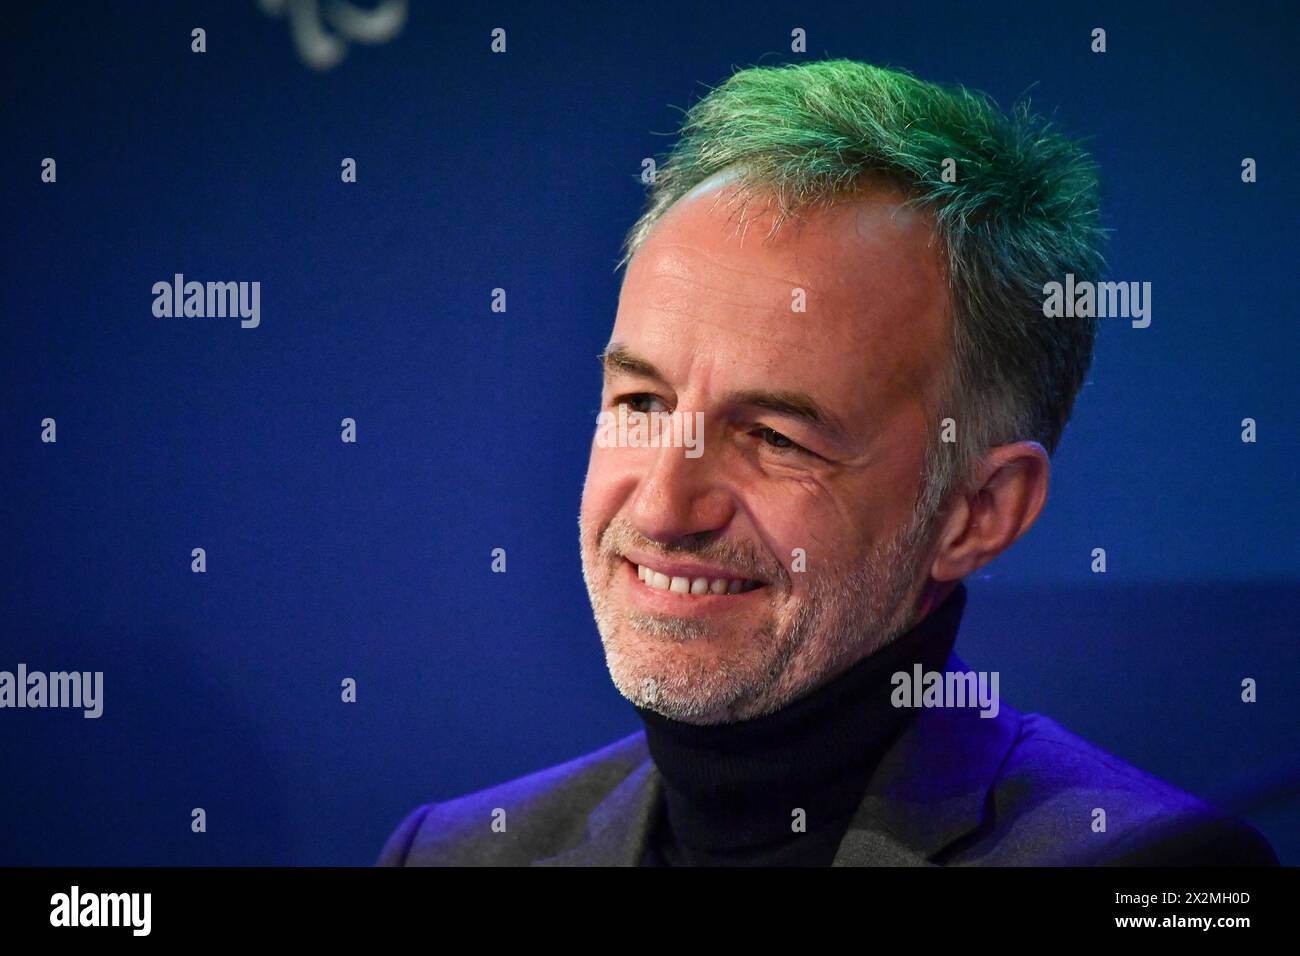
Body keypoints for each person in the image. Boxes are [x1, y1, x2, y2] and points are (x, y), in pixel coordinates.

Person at [377, 59, 1278, 866]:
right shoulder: (456, 852)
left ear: (982, 510)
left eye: (774, 437)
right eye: (642, 404)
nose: (661, 507)